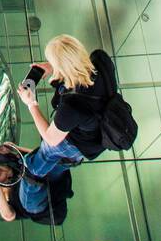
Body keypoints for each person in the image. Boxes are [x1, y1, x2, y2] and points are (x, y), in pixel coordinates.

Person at [13, 35, 123, 214]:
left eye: (52, 62)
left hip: (73, 144)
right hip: (93, 136)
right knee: (60, 162)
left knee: (33, 166)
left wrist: (31, 103)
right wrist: (52, 69)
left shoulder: (72, 106)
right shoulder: (100, 61)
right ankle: (62, 167)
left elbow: (50, 138)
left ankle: (34, 205)